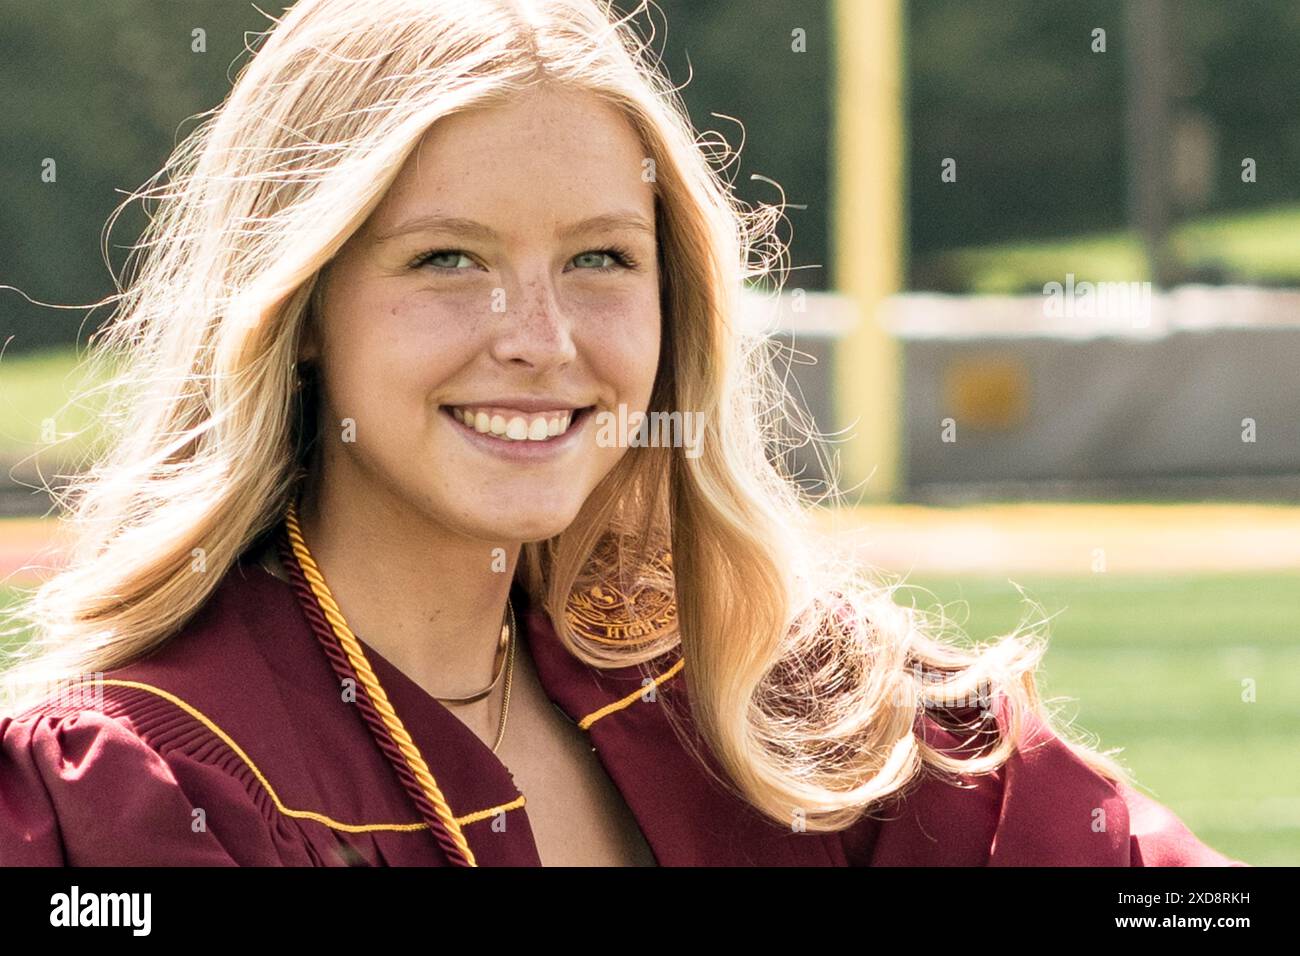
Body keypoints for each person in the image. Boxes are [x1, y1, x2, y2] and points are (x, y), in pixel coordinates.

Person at [0, 0, 1243, 866]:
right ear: (305, 305)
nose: (540, 337)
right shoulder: (143, 787)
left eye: (601, 256)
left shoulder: (770, 687)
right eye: (448, 260)